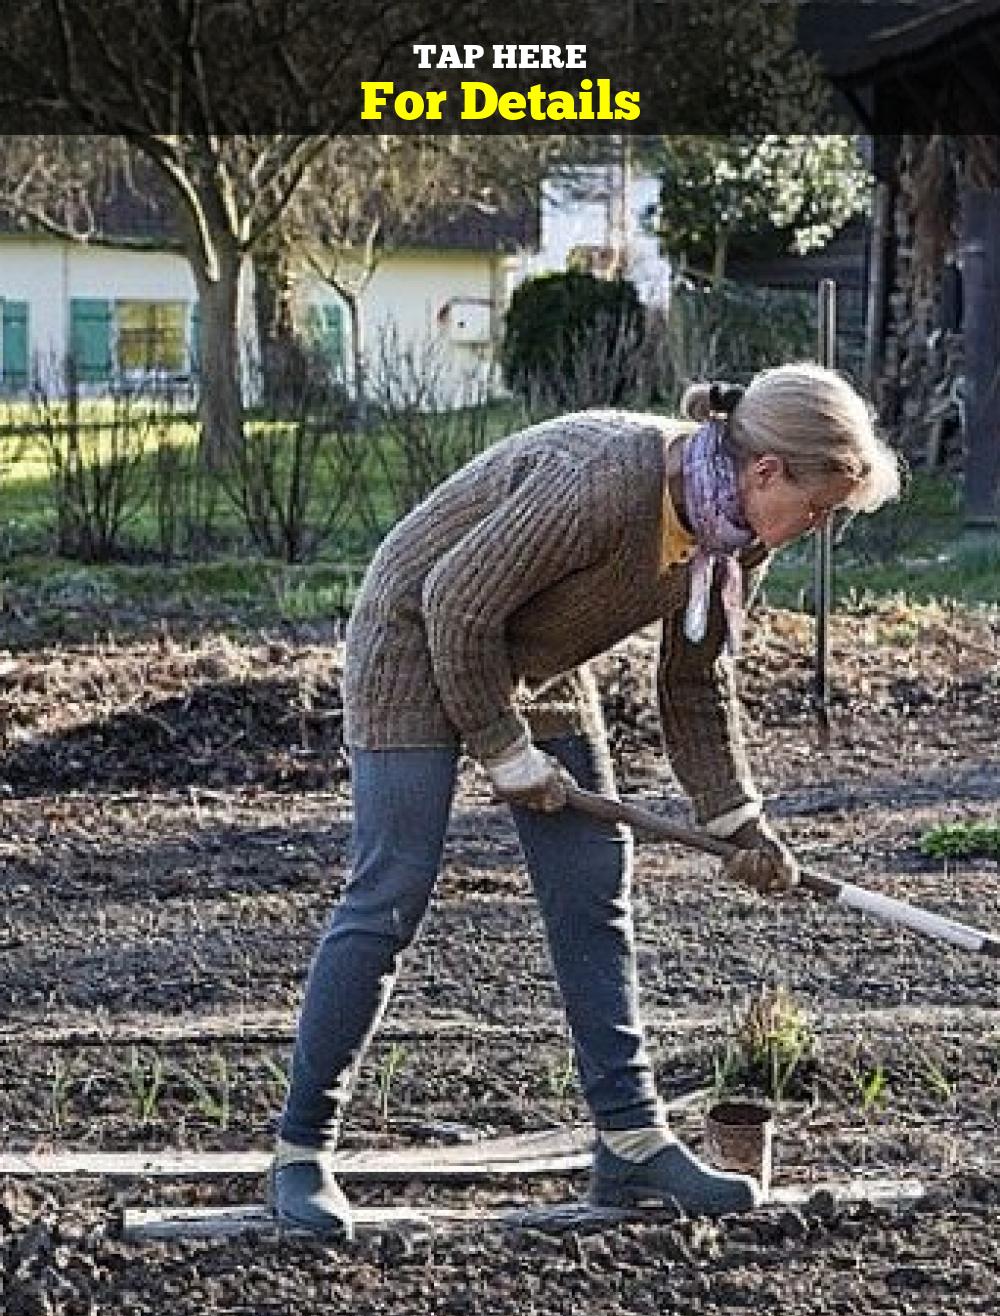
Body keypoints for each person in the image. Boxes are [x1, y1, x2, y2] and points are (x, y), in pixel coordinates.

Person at [270, 362, 900, 1238]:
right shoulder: (609, 482)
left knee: (593, 884)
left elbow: (695, 683)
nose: (818, 527)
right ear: (766, 473)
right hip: (415, 638)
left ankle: (632, 1144)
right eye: (820, 508)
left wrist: (735, 818)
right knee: (392, 889)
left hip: (534, 652)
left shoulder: (735, 535)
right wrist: (501, 747)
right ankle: (301, 1153)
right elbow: (452, 601)